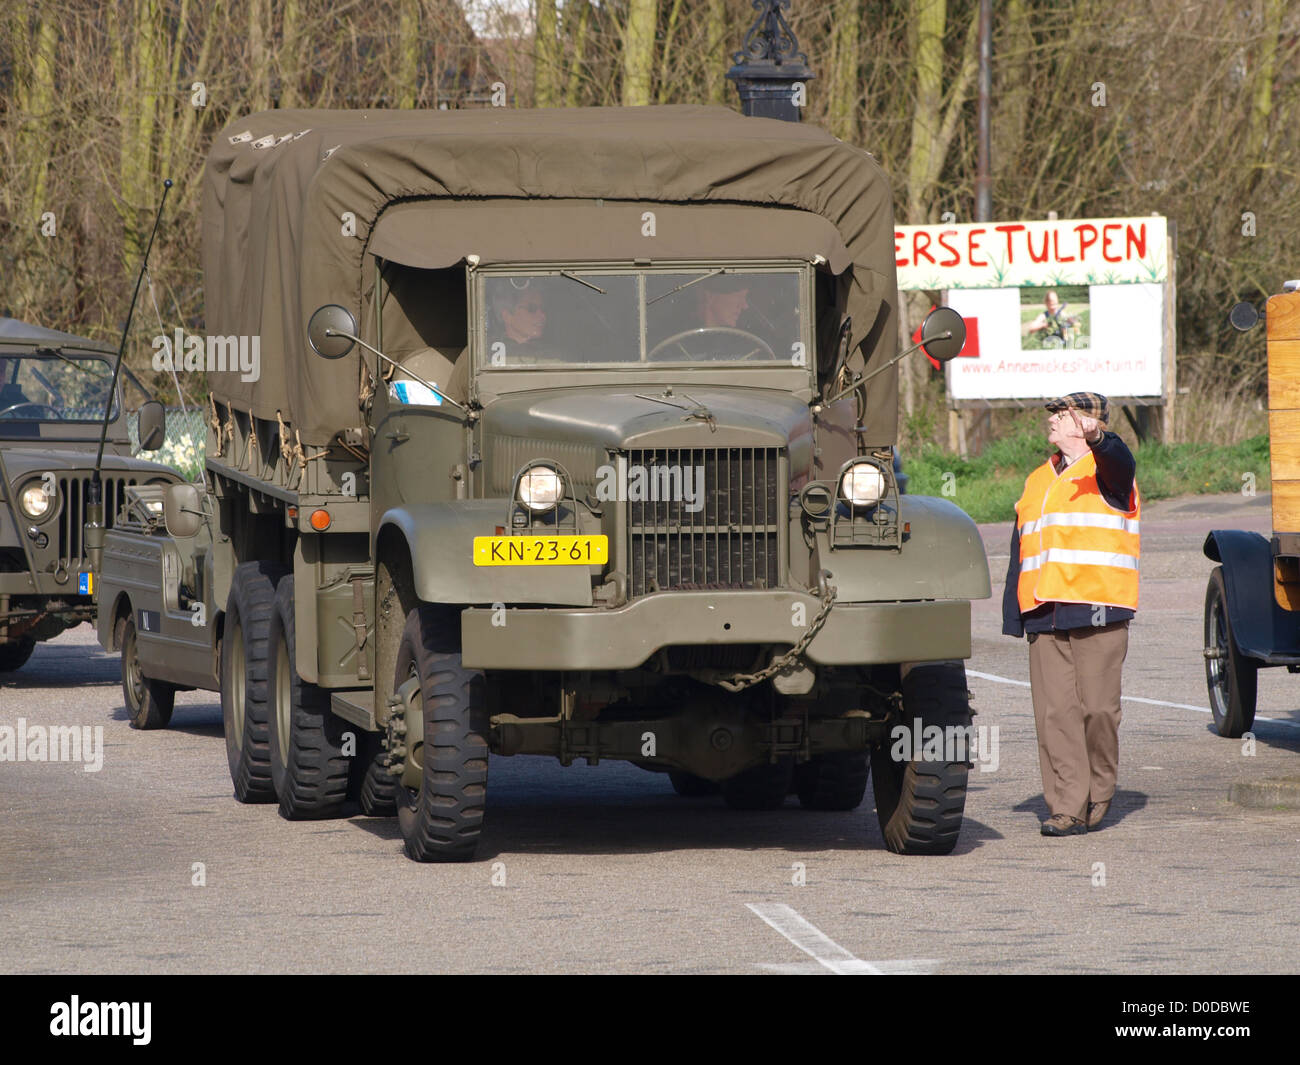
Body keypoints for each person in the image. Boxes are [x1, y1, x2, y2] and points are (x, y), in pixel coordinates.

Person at [1002, 392, 1139, 836]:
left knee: (1098, 710)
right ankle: (1066, 806)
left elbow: (1120, 459)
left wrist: (1099, 437)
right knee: (1055, 714)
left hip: (1099, 608)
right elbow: (1020, 548)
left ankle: (1099, 789)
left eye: (1061, 416)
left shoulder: (1109, 471)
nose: (1052, 423)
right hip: (1045, 611)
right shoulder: (1037, 478)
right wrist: (1015, 614)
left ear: (1085, 424)